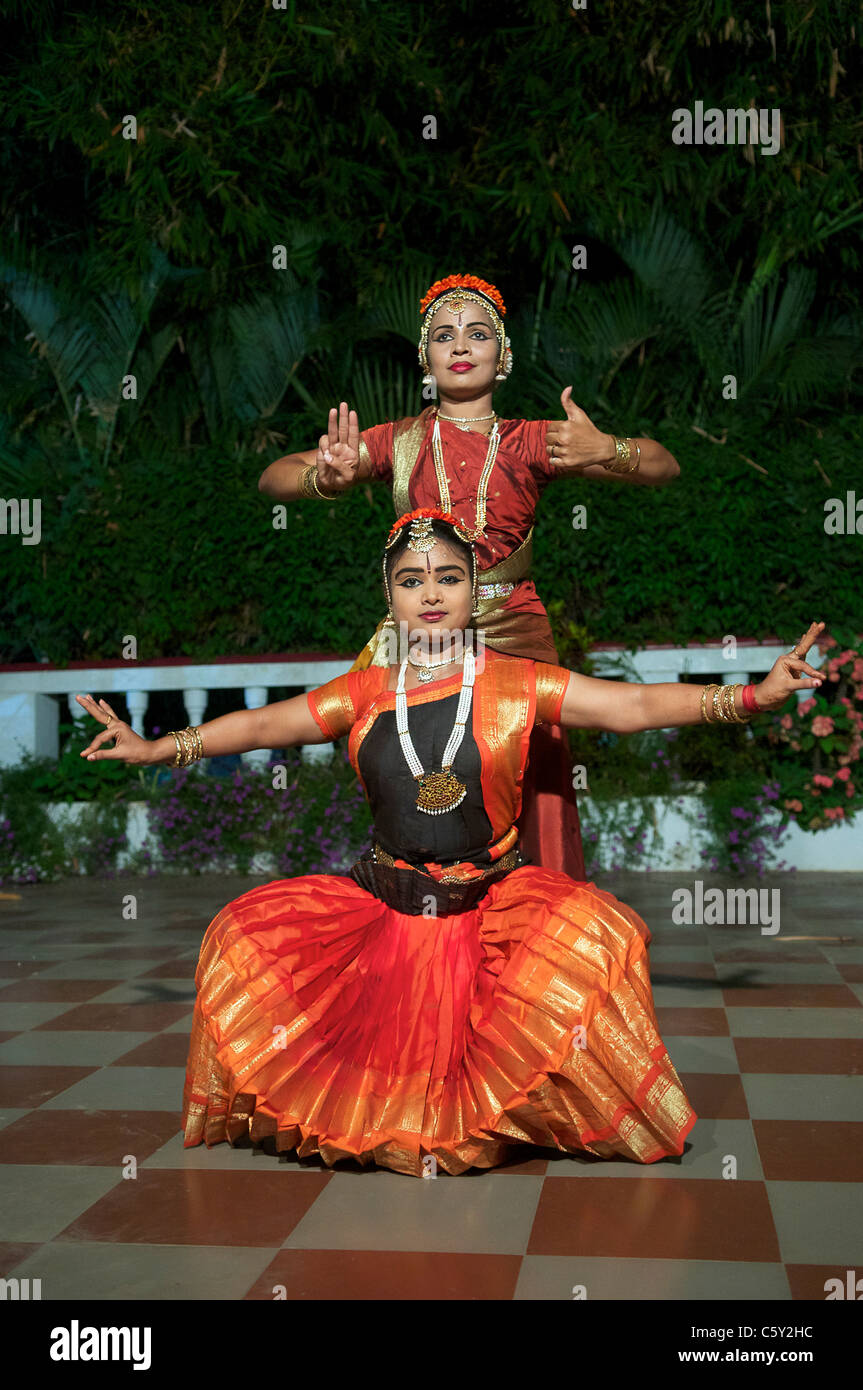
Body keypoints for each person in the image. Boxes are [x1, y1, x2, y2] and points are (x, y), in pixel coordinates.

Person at [76, 509, 825, 1179]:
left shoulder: (517, 681)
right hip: (388, 911)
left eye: (447, 576)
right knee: (240, 937)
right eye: (410, 579)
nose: (429, 592)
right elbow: (266, 725)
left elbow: (629, 704)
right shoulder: (365, 692)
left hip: (488, 910)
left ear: (476, 590)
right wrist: (156, 749)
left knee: (595, 941)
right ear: (390, 597)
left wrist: (751, 696)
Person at [257, 273, 682, 883]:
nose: (460, 346)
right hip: (424, 636)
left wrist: (608, 449)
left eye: (477, 334)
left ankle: (536, 938)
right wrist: (325, 476)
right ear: (425, 357)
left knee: (536, 784)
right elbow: (275, 476)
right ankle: (427, 920)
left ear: (502, 355)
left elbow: (663, 465)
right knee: (415, 780)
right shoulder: (399, 443)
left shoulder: (532, 441)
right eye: (445, 335)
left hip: (513, 628)